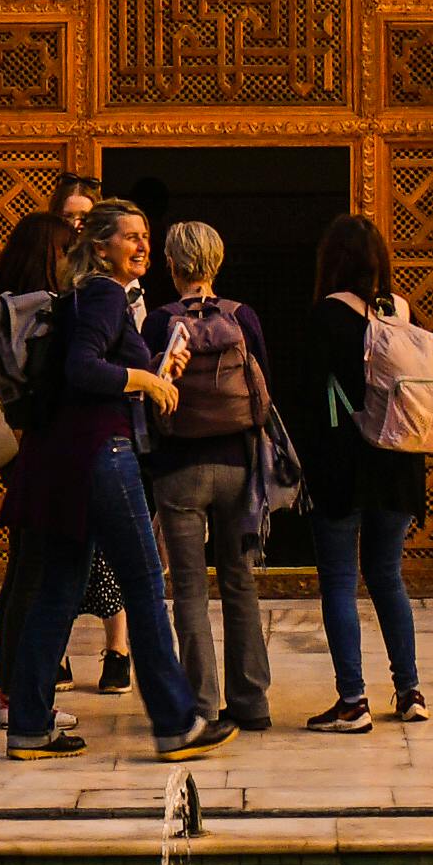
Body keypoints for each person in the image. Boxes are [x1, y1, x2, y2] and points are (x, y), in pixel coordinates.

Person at [1, 192, 224, 764]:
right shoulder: (104, 294)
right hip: (101, 453)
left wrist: (155, 371)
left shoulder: (87, 296)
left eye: (146, 236)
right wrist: (145, 381)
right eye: (131, 236)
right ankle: (175, 723)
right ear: (100, 247)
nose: (143, 245)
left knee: (58, 588)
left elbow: (93, 370)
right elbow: (84, 369)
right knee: (145, 583)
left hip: (65, 457)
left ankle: (29, 724)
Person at [290, 205, 430, 734]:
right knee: (387, 576)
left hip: (341, 465)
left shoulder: (326, 316)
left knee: (340, 581)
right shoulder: (404, 313)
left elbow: (307, 394)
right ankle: (409, 691)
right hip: (399, 464)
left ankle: (352, 700)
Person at [142, 217, 275, 735]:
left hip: (179, 468)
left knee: (190, 590)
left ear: (172, 265)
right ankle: (252, 700)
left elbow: (146, 394)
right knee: (240, 582)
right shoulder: (243, 317)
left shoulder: (159, 322)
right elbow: (265, 389)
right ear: (217, 262)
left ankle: (202, 705)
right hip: (238, 466)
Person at [0, 199, 68, 736]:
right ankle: (19, 696)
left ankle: (11, 689)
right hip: (44, 450)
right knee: (35, 574)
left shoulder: (1, 310)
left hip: (15, 448)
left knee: (20, 572)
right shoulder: (43, 315)